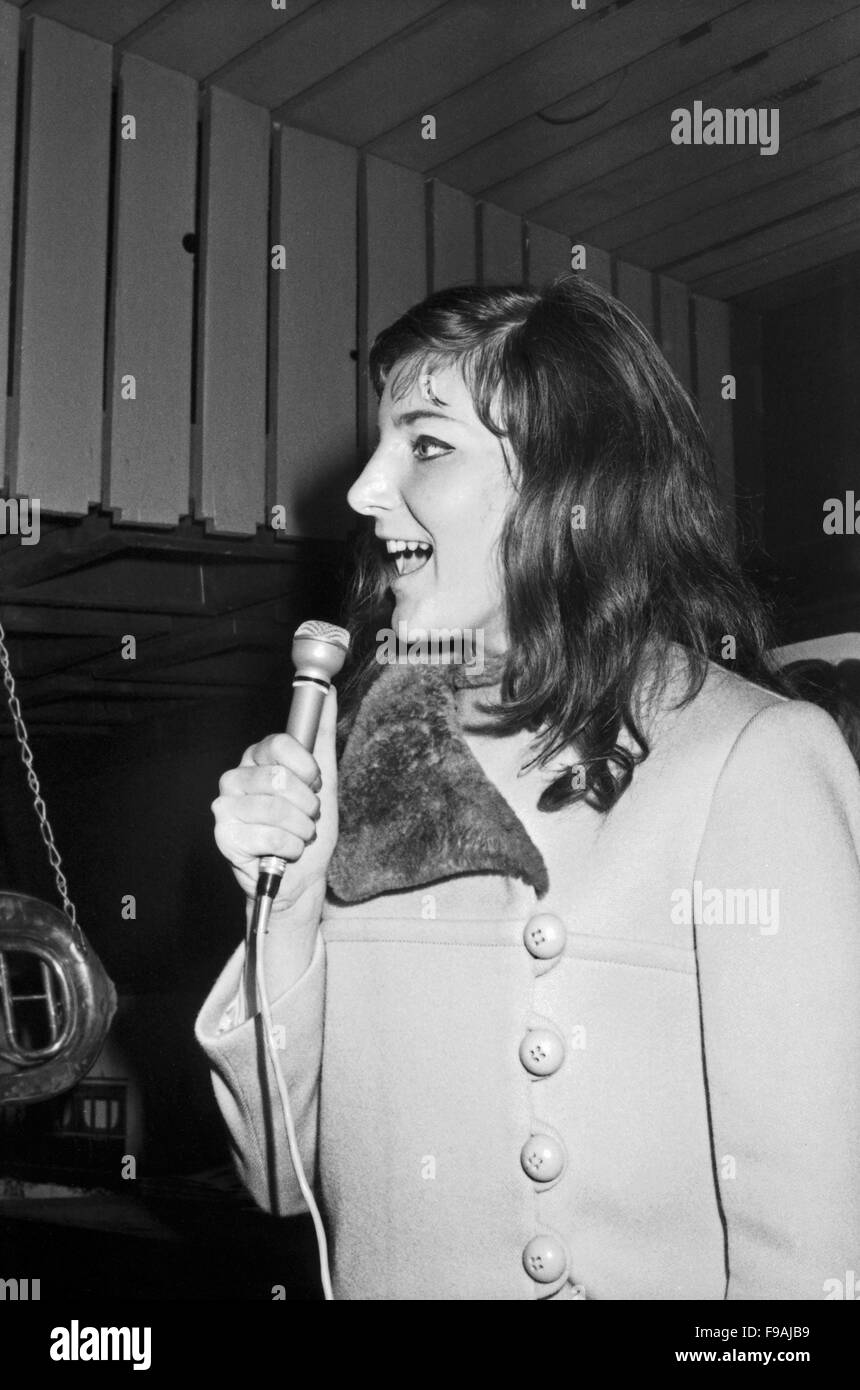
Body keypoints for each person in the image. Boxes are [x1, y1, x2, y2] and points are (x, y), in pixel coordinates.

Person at [195, 277, 860, 1301]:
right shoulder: (367, 747)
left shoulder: (752, 761)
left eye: (423, 444)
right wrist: (283, 900)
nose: (365, 491)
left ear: (568, 481)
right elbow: (285, 1183)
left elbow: (812, 1264)